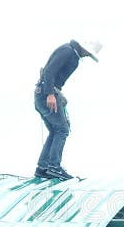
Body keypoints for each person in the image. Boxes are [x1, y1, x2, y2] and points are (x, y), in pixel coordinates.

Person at [33, 39, 102, 180]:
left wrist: (57, 93)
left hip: (44, 92)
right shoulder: (68, 51)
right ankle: (54, 167)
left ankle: (43, 167)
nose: (87, 56)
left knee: (55, 130)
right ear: (85, 48)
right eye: (89, 53)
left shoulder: (71, 53)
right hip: (46, 93)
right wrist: (51, 94)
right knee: (62, 129)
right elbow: (49, 72)